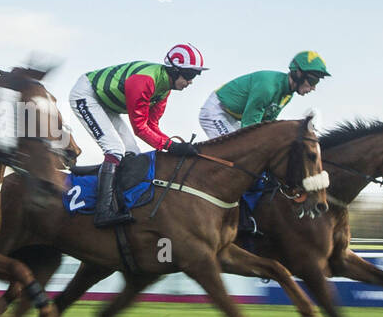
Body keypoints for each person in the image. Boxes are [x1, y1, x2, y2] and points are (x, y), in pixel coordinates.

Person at [68, 44, 206, 227]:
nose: (191, 82)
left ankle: (119, 202)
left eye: (195, 75)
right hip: (86, 95)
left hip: (104, 103)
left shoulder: (164, 90)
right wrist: (171, 147)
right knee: (114, 149)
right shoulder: (144, 80)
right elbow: (140, 128)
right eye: (189, 75)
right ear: (174, 70)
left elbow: (152, 125)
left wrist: (173, 145)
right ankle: (102, 212)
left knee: (132, 151)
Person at [198, 50, 330, 139]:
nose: (313, 87)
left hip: (232, 117)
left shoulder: (287, 95)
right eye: (313, 80)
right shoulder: (267, 88)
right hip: (215, 111)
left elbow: (266, 126)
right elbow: (249, 128)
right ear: (298, 73)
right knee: (233, 149)